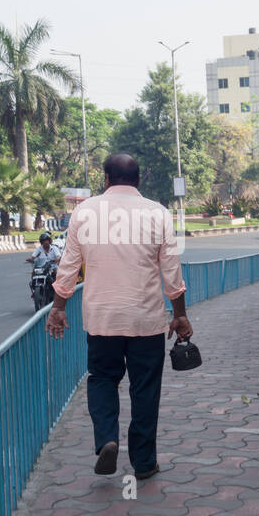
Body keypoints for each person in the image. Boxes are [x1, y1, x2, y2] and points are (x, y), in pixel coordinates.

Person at [46, 153, 191, 481]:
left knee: (102, 378)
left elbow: (68, 266)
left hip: (102, 319)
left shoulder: (84, 212)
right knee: (145, 389)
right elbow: (171, 271)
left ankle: (107, 439)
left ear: (106, 180)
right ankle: (144, 463)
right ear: (138, 180)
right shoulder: (158, 213)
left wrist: (58, 307)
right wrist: (180, 315)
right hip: (146, 320)